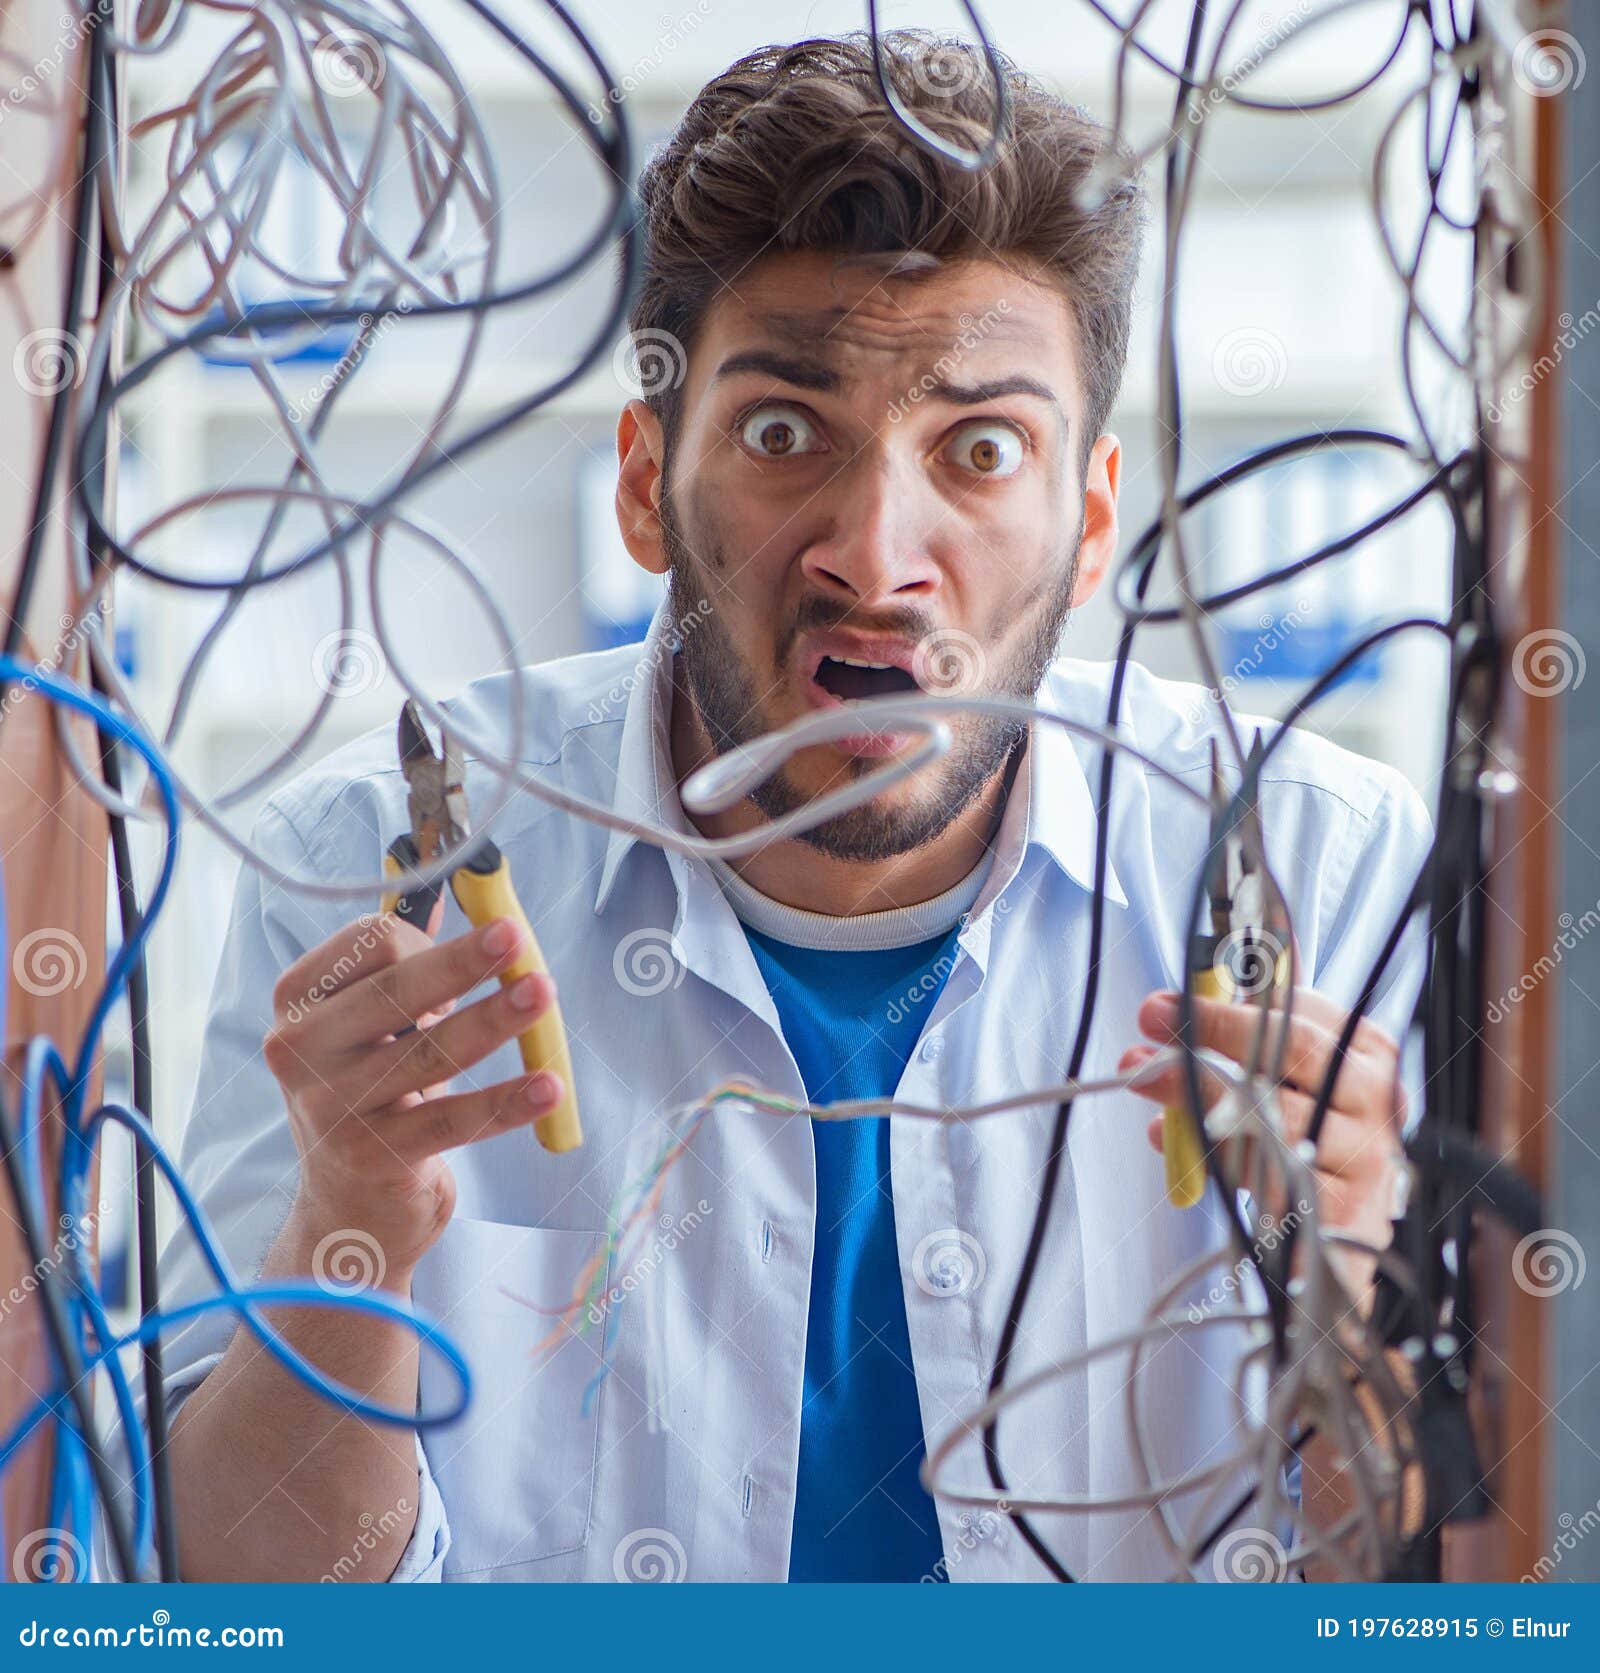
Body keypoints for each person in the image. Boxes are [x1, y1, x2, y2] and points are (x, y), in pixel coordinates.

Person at [148, 32, 1428, 1583]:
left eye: (981, 448)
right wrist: (344, 1235)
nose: (874, 554)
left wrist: (1358, 1287)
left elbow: (1448, 1588)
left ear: (1090, 525)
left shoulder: (1331, 875)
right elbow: (242, 1596)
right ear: (644, 481)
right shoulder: (359, 871)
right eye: (780, 433)